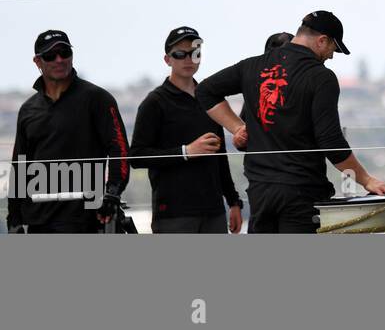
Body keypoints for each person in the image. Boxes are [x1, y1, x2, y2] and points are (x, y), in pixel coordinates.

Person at [197, 11, 385, 234]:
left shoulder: (252, 66)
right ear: (322, 40)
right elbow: (330, 140)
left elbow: (205, 91)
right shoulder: (321, 76)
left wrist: (237, 127)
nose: (331, 56)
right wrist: (366, 180)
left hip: (260, 190)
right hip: (302, 192)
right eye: (333, 49)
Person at [7, 30, 129, 234]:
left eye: (65, 53)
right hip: (39, 222)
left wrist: (113, 194)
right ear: (37, 61)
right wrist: (14, 217)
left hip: (88, 219)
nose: (59, 60)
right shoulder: (28, 109)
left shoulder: (98, 98)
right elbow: (20, 165)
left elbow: (120, 150)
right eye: (50, 55)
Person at [128, 27, 243, 234]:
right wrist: (185, 152)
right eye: (180, 54)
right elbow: (137, 157)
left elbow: (221, 156)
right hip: (174, 213)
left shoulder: (210, 97)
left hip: (214, 211)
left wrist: (233, 201)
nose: (188, 59)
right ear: (167, 59)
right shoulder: (154, 102)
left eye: (195, 53)